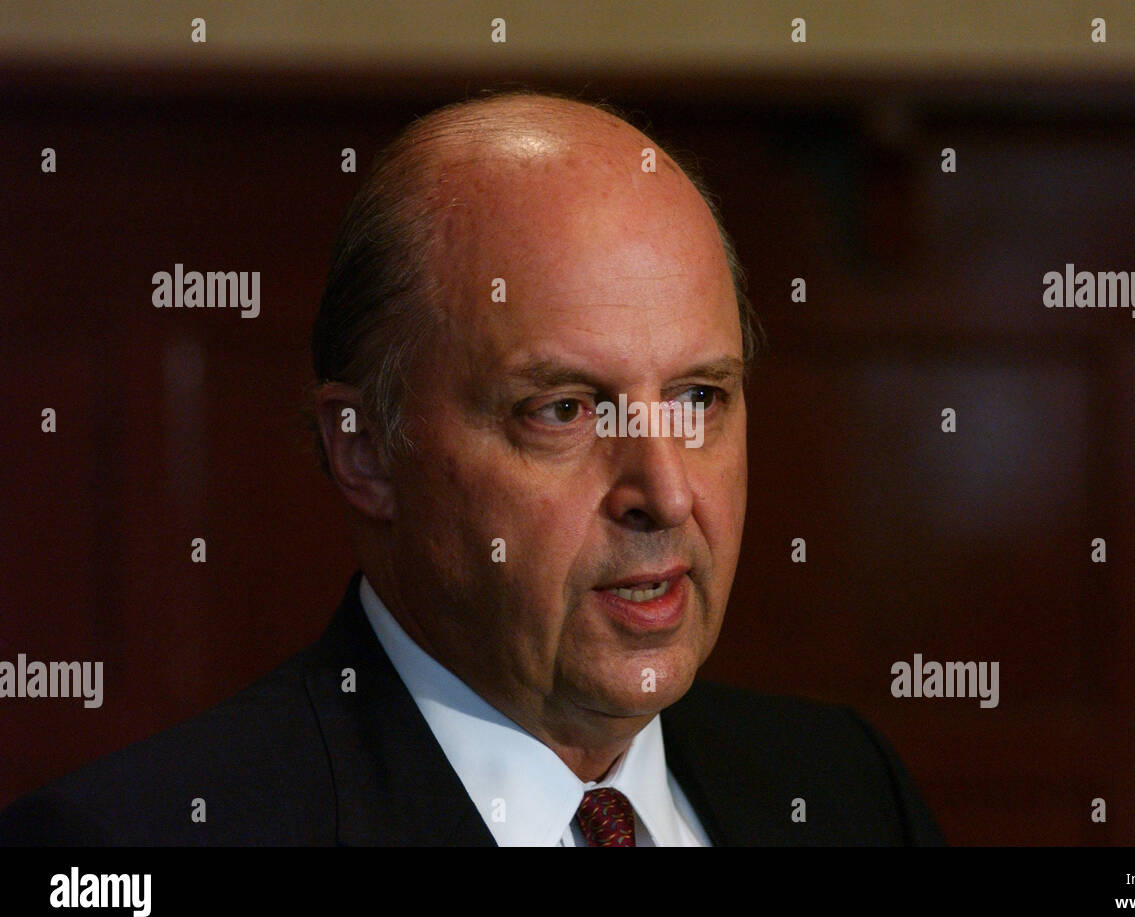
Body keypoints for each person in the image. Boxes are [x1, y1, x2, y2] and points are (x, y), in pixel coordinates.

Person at [0, 91, 943, 846]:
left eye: (699, 398)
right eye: (565, 411)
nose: (665, 492)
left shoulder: (844, 790)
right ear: (364, 452)